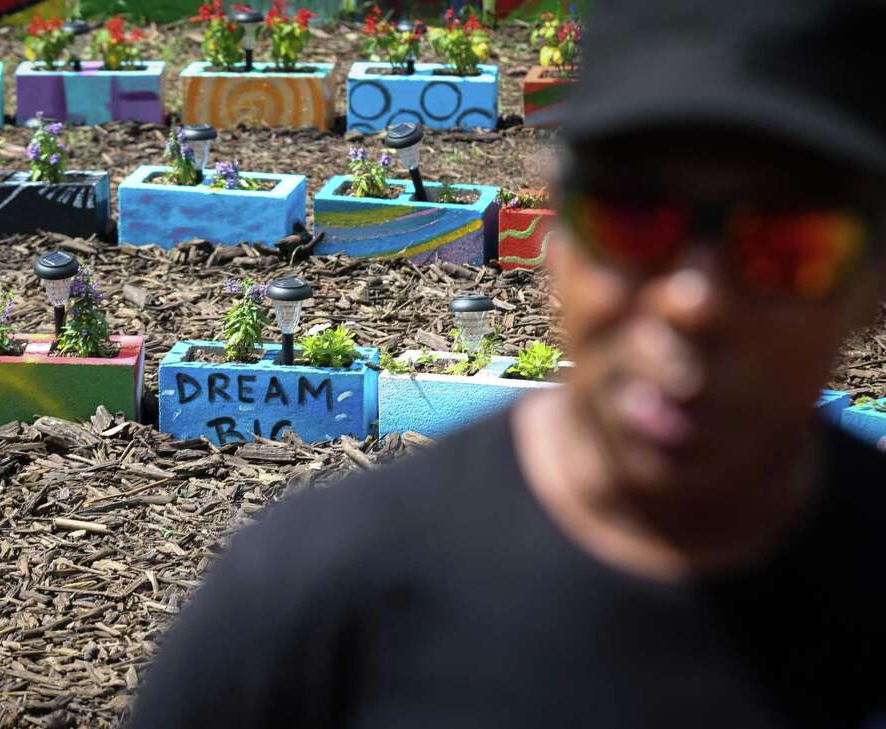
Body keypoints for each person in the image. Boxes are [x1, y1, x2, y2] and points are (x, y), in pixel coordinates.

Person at [130, 0, 886, 726]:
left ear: (873, 280)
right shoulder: (316, 604)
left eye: (788, 243)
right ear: (556, 241)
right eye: (634, 217)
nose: (695, 301)